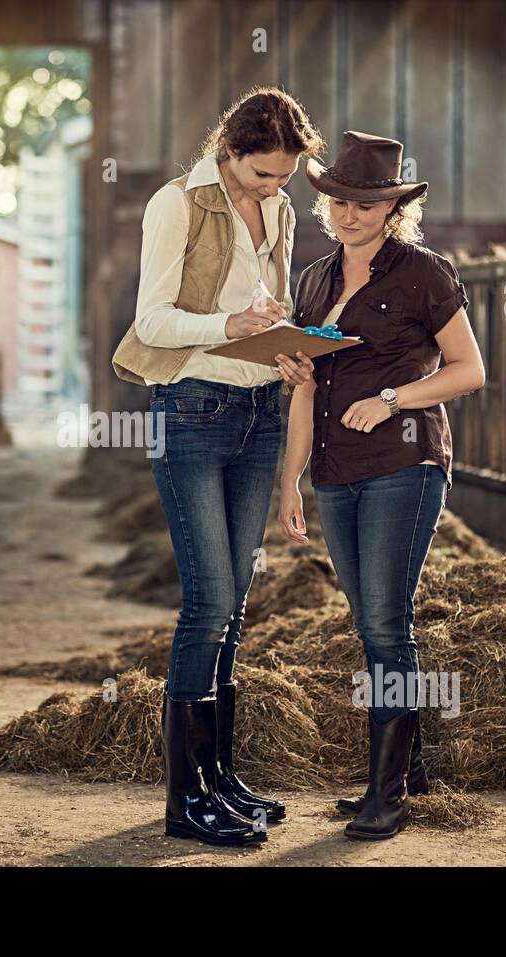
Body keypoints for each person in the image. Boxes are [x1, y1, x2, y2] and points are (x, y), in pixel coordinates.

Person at [112, 87, 322, 845]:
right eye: (263, 175)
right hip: (192, 410)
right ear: (229, 151)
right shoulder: (178, 204)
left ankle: (219, 779)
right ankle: (183, 801)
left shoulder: (284, 211)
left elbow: (272, 304)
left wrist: (293, 344)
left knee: (236, 602)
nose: (275, 189)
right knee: (208, 598)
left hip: (260, 412)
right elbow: (152, 319)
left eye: (284, 178)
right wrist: (228, 324)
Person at [277, 131, 486, 840]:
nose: (348, 213)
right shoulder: (312, 280)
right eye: (337, 200)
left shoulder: (424, 274)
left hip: (406, 464)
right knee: (372, 621)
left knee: (385, 622)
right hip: (336, 473)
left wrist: (396, 397)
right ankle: (409, 773)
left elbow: (468, 370)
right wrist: (290, 480)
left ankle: (386, 794)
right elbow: (305, 392)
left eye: (365, 203)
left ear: (392, 207)